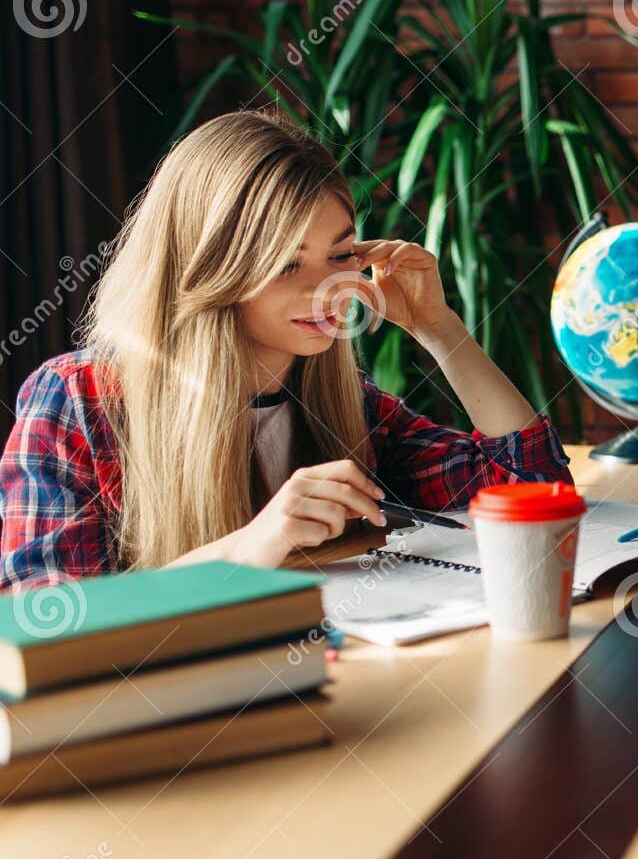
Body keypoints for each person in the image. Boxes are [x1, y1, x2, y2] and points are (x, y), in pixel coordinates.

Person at [0, 110, 572, 591]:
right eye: (286, 264)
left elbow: (532, 492)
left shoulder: (343, 401)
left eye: (341, 255)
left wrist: (440, 329)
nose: (327, 289)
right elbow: (47, 625)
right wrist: (254, 544)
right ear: (210, 268)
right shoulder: (79, 402)